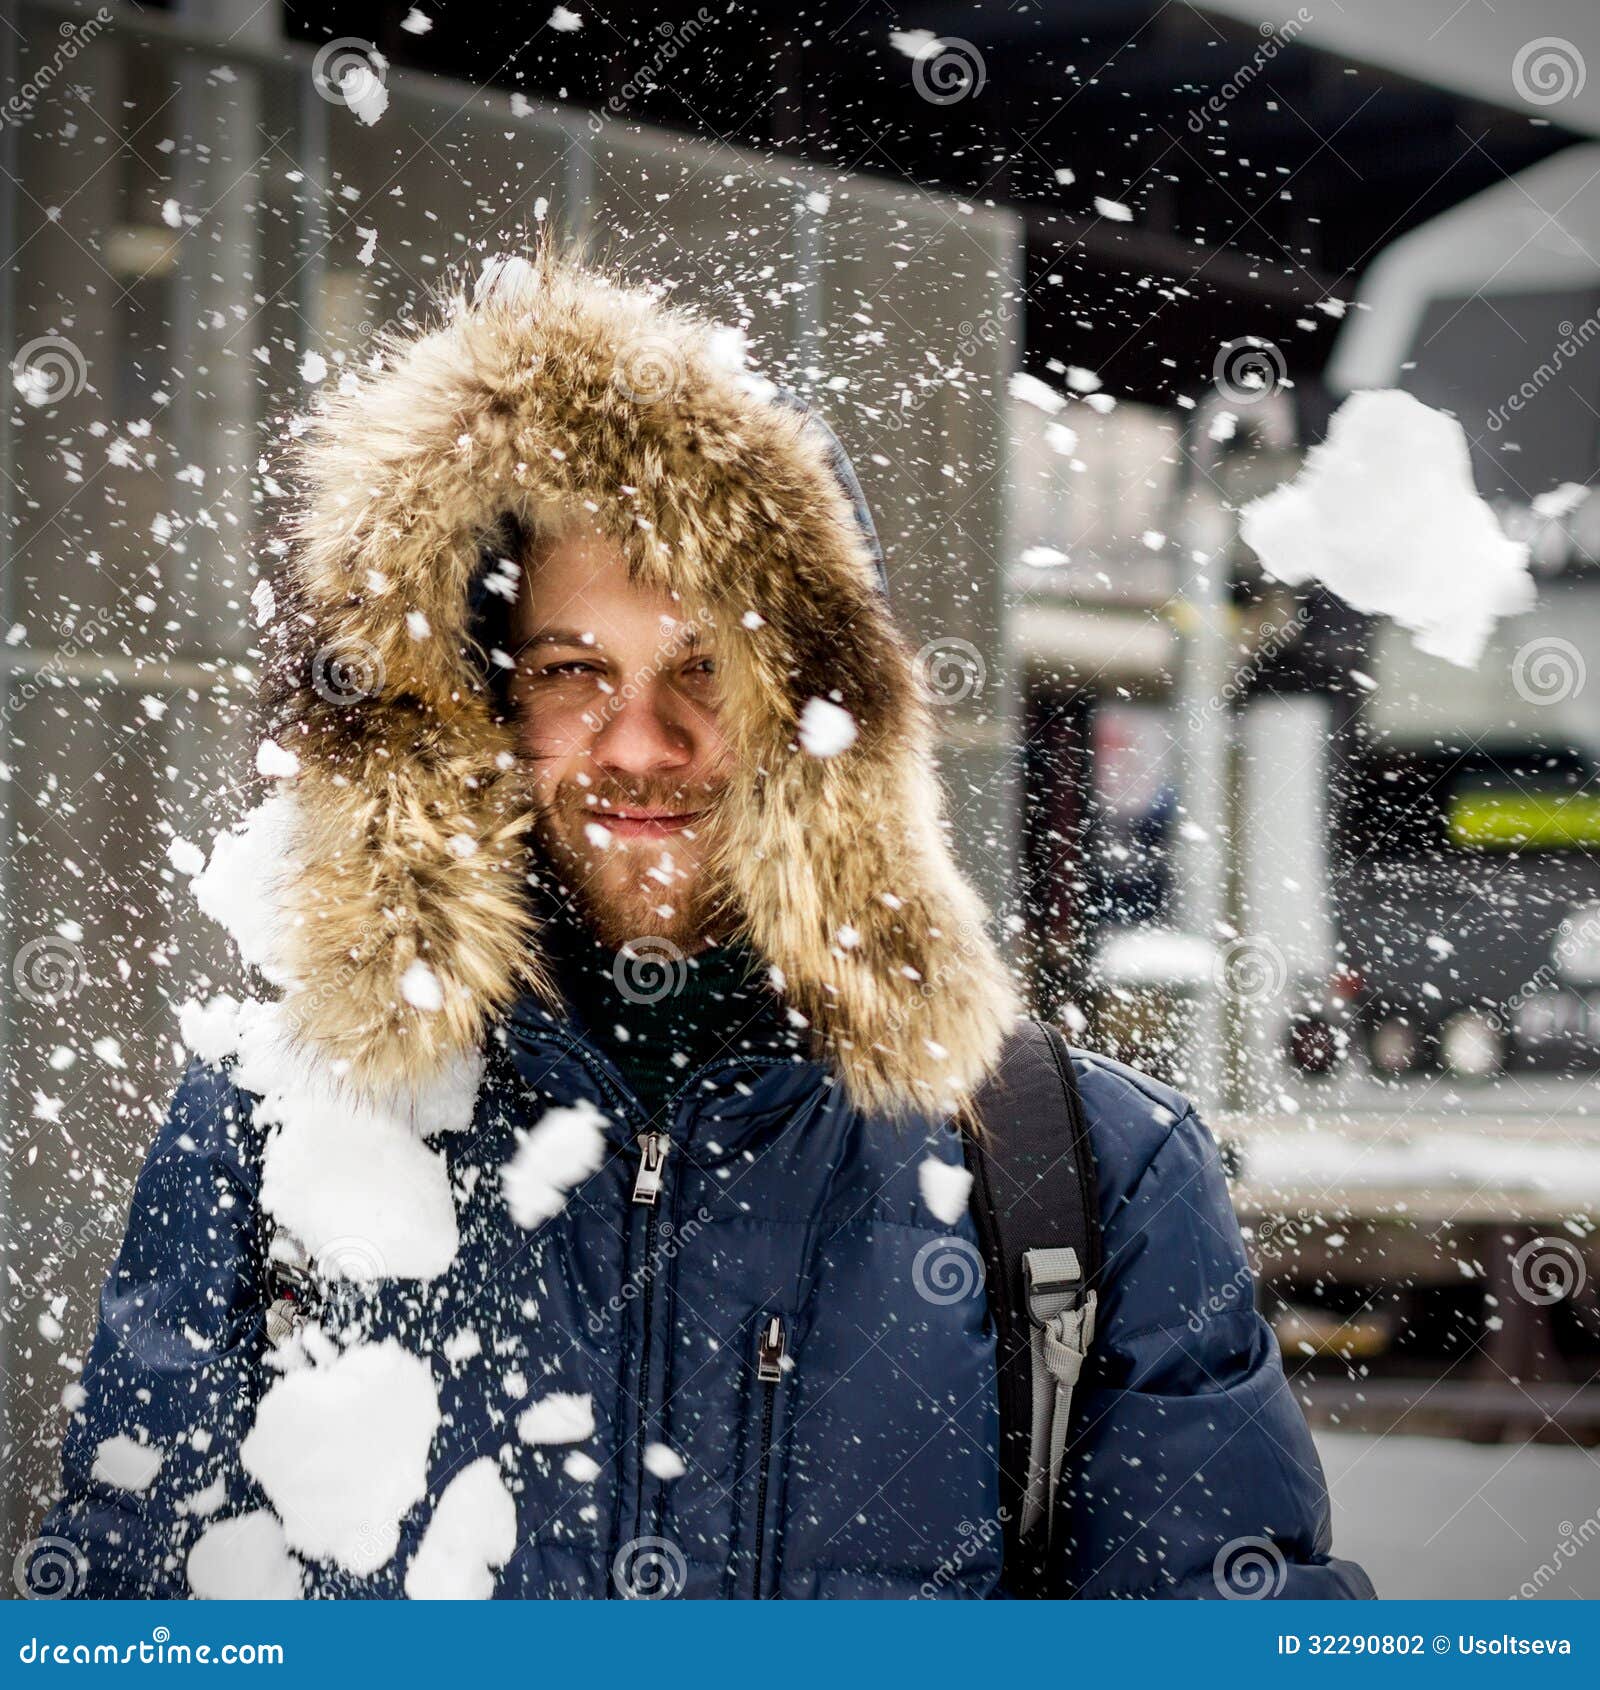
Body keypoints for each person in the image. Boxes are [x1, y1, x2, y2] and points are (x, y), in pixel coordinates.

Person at [34, 249, 1372, 1601]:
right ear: (467, 709)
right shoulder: (269, 1138)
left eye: (706, 670)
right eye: (572, 671)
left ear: (815, 716)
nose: (642, 740)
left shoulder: (1078, 1176)